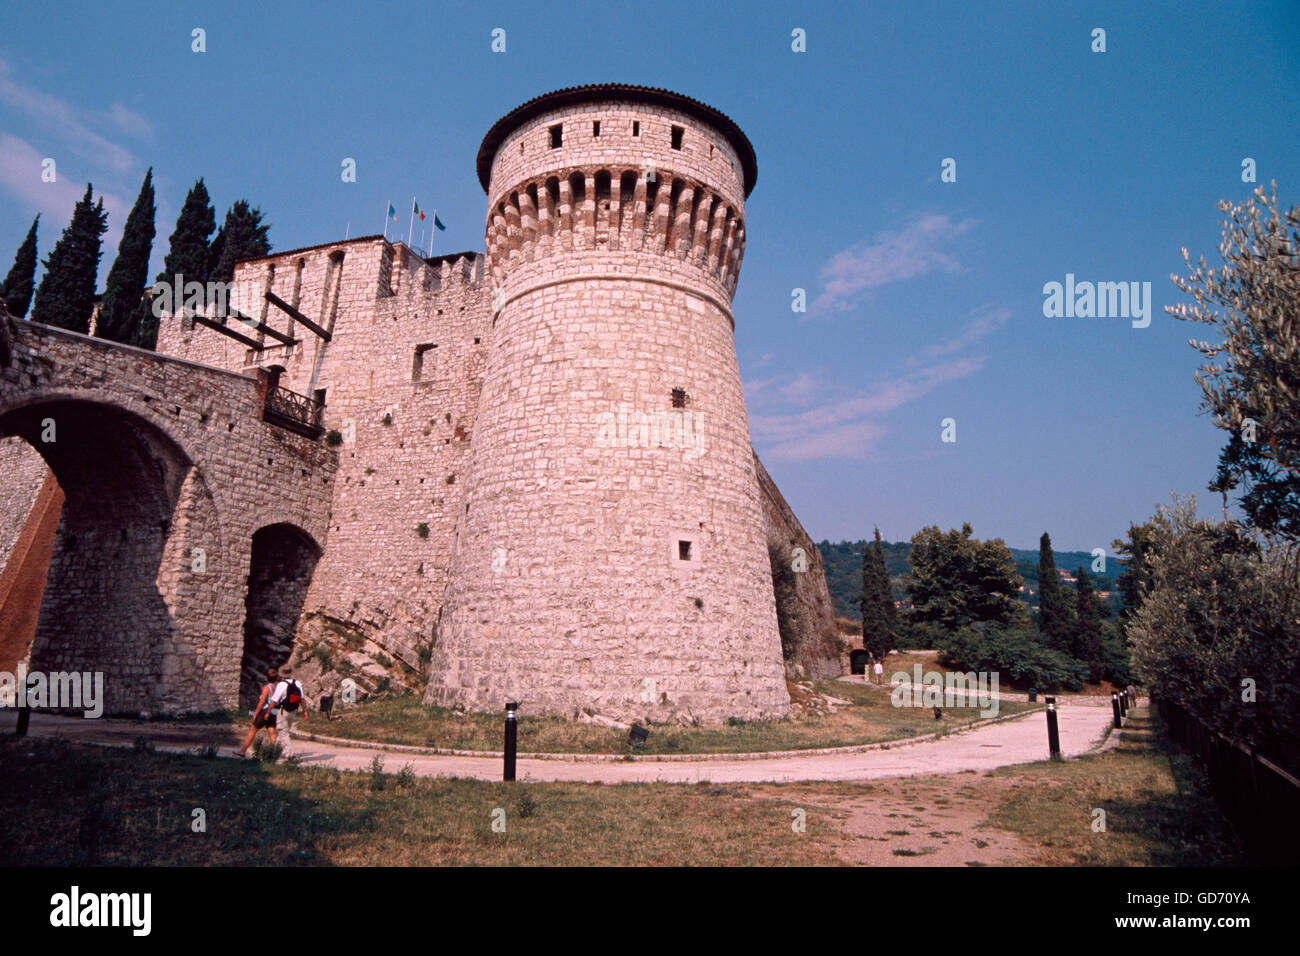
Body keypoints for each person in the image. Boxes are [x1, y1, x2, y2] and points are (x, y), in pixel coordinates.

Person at [237, 666, 279, 757]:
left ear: (267, 677)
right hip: (274, 712)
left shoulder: (266, 688)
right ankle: (273, 752)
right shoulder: (276, 688)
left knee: (252, 730)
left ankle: (243, 751)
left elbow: (261, 702)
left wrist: (255, 714)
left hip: (265, 711)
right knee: (272, 731)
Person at [270, 664, 308, 757]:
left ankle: (290, 755)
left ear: (281, 674)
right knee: (284, 732)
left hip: (283, 711)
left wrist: (267, 712)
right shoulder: (297, 683)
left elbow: (274, 700)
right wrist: (305, 711)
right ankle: (275, 751)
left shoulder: (281, 685)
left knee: (283, 732)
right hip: (293, 711)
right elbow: (302, 699)